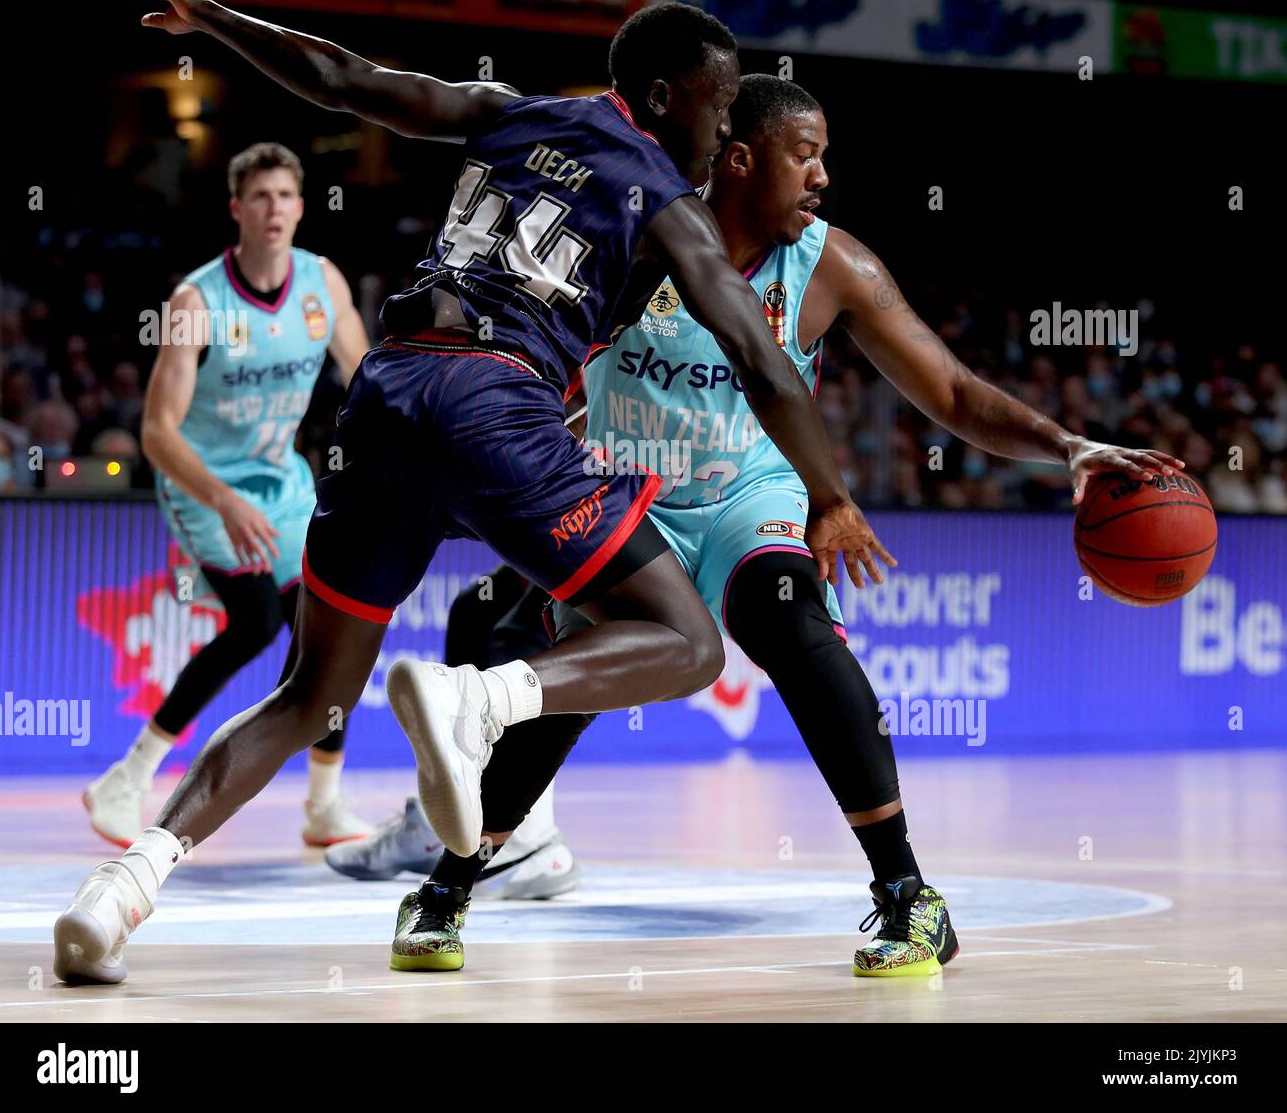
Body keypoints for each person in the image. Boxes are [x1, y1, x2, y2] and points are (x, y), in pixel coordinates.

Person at [54, 0, 882, 984]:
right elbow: (759, 355)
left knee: (310, 696)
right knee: (685, 640)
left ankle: (119, 890)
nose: (721, 132)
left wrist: (215, 18)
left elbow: (346, 79)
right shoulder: (667, 195)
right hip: (495, 403)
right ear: (667, 96)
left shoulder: (507, 113)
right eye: (718, 103)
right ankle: (480, 702)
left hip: (387, 399)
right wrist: (831, 494)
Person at [390, 75, 1187, 975]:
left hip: (747, 496)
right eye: (804, 154)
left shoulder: (833, 264)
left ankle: (909, 896)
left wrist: (1069, 445)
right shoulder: (634, 230)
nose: (821, 176)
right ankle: (448, 888)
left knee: (790, 620)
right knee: (574, 674)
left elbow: (954, 391)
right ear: (739, 157)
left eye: (823, 158)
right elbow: (539, 358)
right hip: (628, 493)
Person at [81, 142, 373, 852]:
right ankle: (130, 776)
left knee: (335, 626)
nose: (275, 209)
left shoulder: (322, 282)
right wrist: (224, 499)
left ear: (302, 209)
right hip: (200, 481)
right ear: (237, 210)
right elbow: (155, 432)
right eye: (261, 197)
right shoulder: (195, 301)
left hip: (280, 481)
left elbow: (368, 378)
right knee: (254, 624)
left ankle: (324, 803)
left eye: (286, 197)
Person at [324, 566, 579, 900]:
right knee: (477, 608)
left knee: (527, 633)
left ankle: (524, 841)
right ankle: (455, 821)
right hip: (590, 536)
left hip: (644, 547)